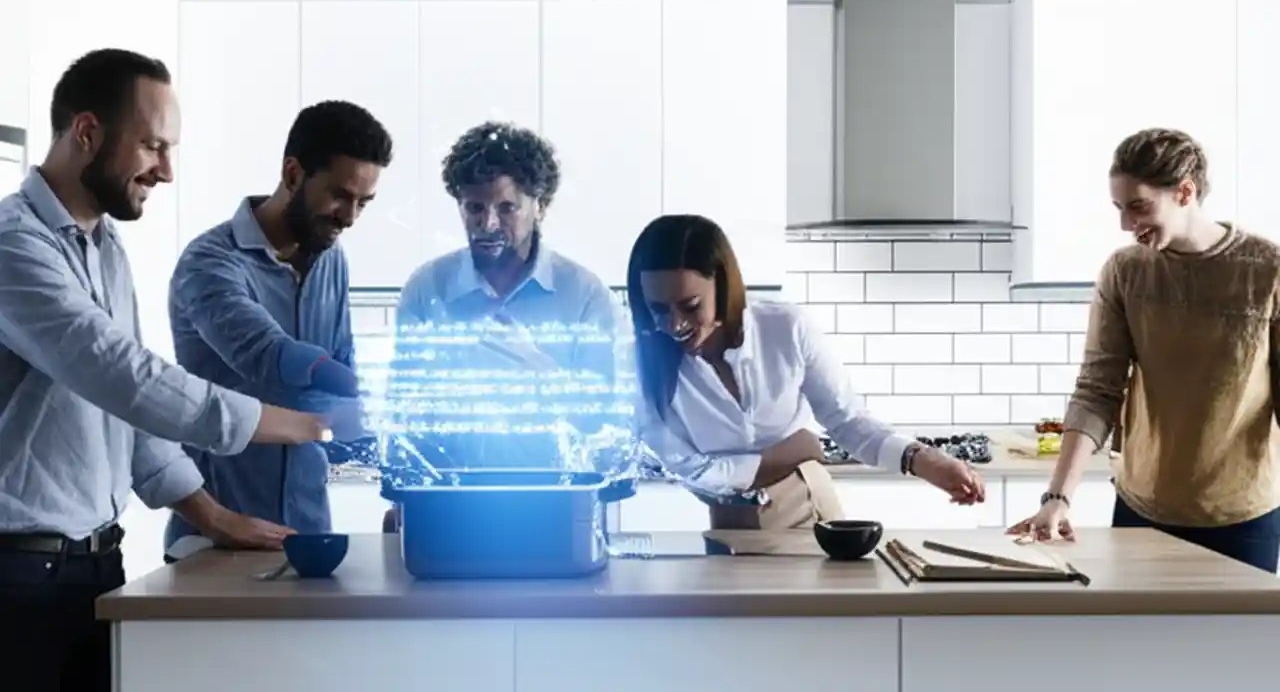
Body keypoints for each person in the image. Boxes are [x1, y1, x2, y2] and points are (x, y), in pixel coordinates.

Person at [0, 48, 332, 690]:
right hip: (16, 577)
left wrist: (211, 514)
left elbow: (130, 407)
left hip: (93, 566)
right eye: (153, 146)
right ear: (88, 133)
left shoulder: (102, 243)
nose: (168, 170)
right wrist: (300, 424)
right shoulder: (14, 246)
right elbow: (121, 374)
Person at [1008, 127, 1280, 573]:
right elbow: (1098, 389)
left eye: (1138, 207)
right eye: (1119, 209)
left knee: (1233, 645)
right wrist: (1057, 499)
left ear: (1185, 192)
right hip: (1142, 509)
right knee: (1137, 643)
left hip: (1243, 514)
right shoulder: (1125, 272)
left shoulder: (1267, 270)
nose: (1126, 225)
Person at [626, 214, 985, 529]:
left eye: (690, 305)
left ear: (723, 284)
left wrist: (926, 461)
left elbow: (849, 422)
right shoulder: (642, 365)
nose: (674, 324)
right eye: (658, 308)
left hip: (809, 507)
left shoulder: (785, 328)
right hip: (730, 520)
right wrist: (794, 450)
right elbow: (694, 472)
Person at [162, 100, 394, 552]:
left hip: (308, 533)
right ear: (293, 174)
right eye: (340, 196)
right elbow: (268, 355)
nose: (349, 216)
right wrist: (364, 388)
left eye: (363, 203)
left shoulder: (332, 258)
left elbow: (341, 368)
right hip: (216, 537)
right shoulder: (208, 264)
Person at [384, 121, 622, 530]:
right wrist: (402, 502)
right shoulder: (428, 289)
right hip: (450, 507)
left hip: (555, 509)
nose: (488, 223)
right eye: (474, 208)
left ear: (540, 205)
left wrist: (540, 369)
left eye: (507, 208)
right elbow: (404, 414)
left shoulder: (585, 295)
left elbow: (606, 425)